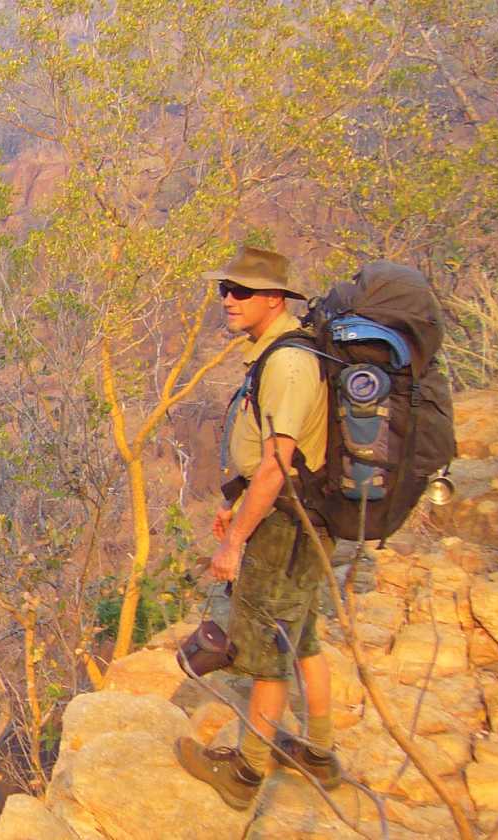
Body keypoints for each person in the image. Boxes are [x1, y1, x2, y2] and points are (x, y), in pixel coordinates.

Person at [175, 246, 342, 808]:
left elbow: (278, 464)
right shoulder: (275, 352)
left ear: (274, 299)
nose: (228, 299)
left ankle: (246, 775)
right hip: (293, 517)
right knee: (303, 636)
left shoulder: (290, 364)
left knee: (268, 648)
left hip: (286, 526)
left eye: (241, 291)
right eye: (225, 288)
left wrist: (234, 539)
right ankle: (319, 753)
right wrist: (240, 500)